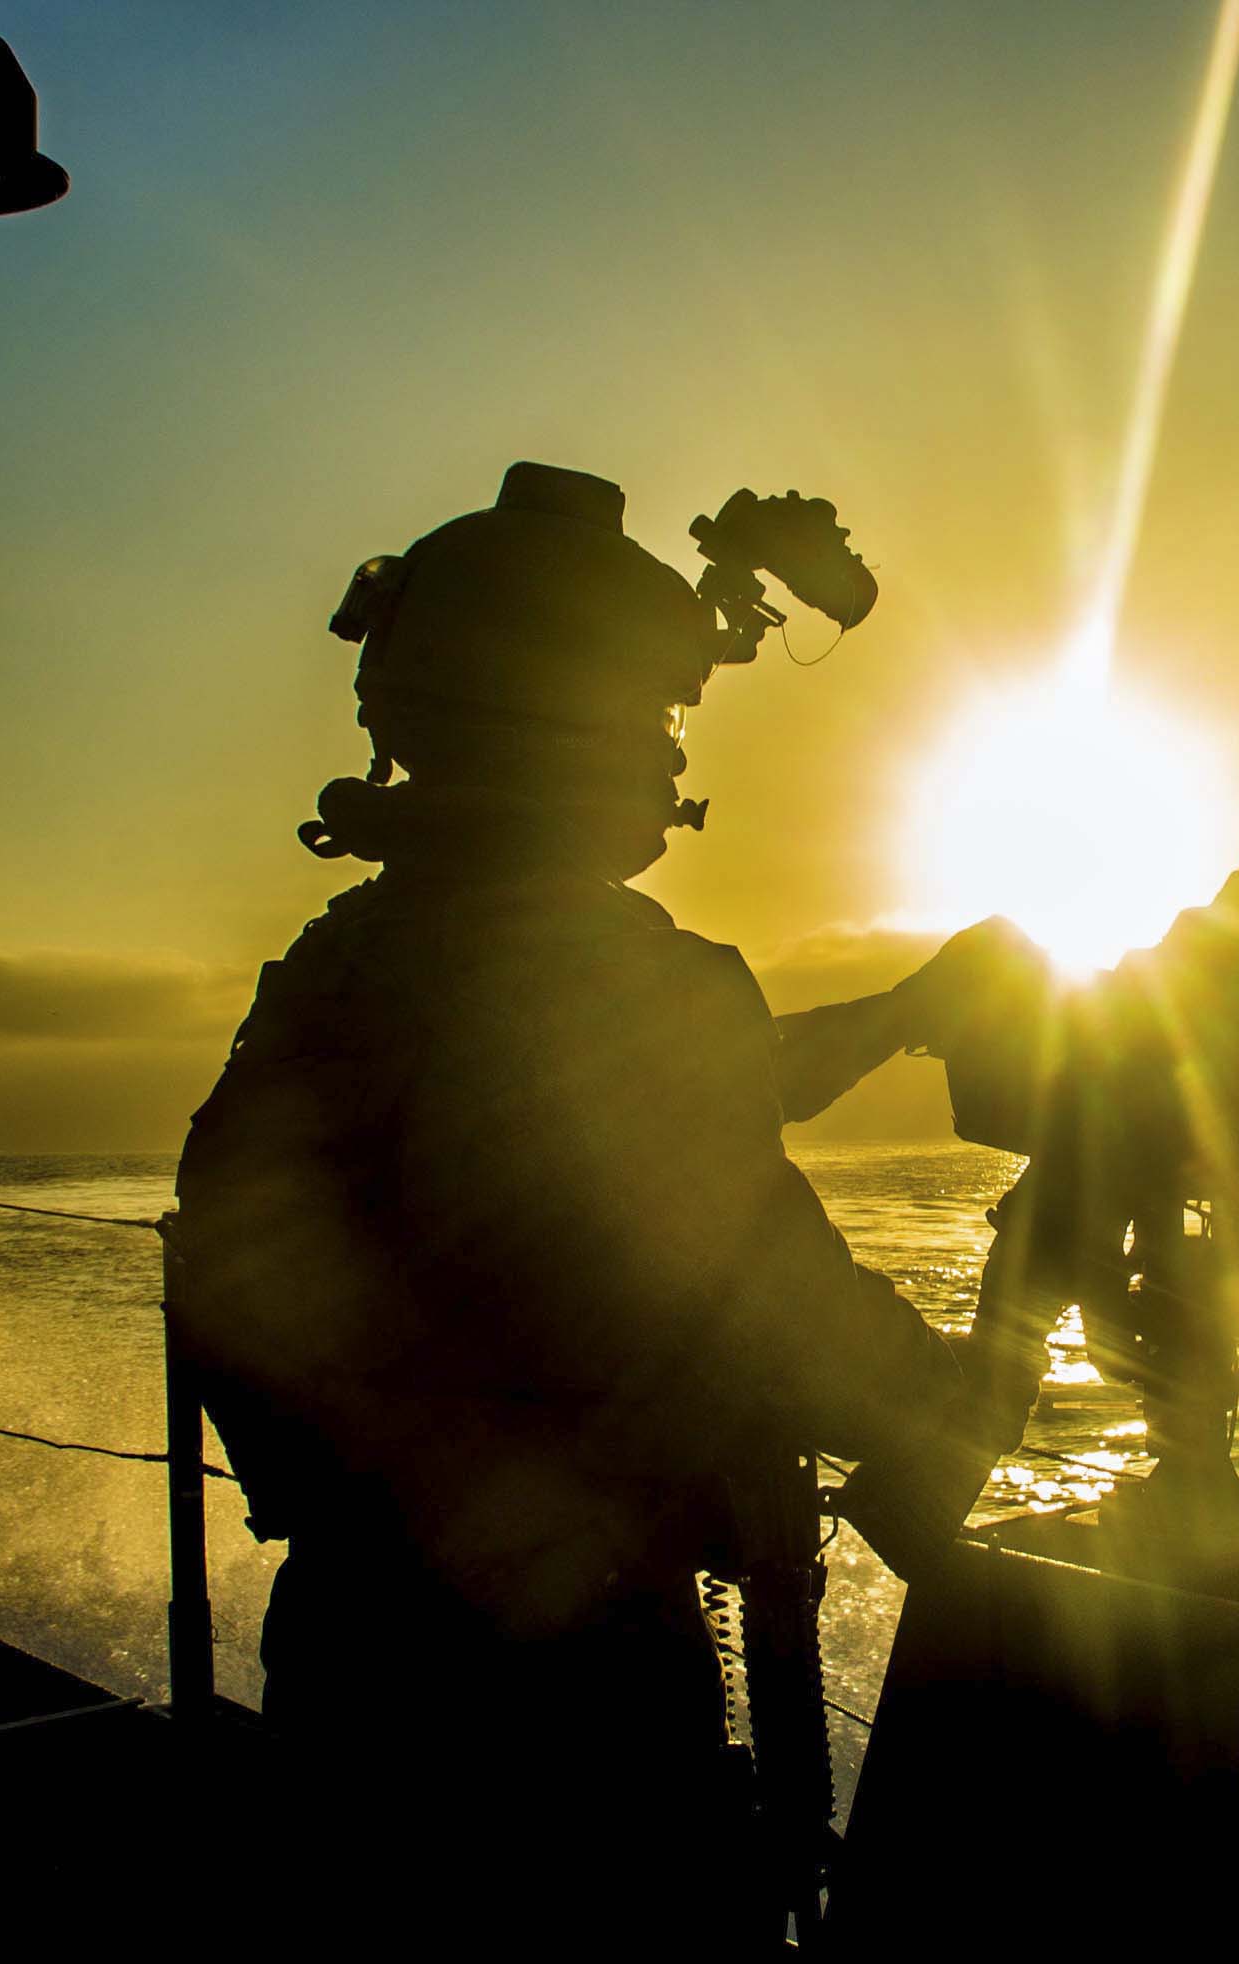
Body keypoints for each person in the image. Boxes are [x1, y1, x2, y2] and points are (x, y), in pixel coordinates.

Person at [170, 461, 1018, 1939]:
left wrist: (899, 1013)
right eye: (654, 713)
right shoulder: (624, 969)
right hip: (567, 1676)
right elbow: (755, 1265)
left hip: (361, 1646)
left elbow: (648, 1107)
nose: (666, 752)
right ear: (580, 728)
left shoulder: (355, 960)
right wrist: (946, 1410)